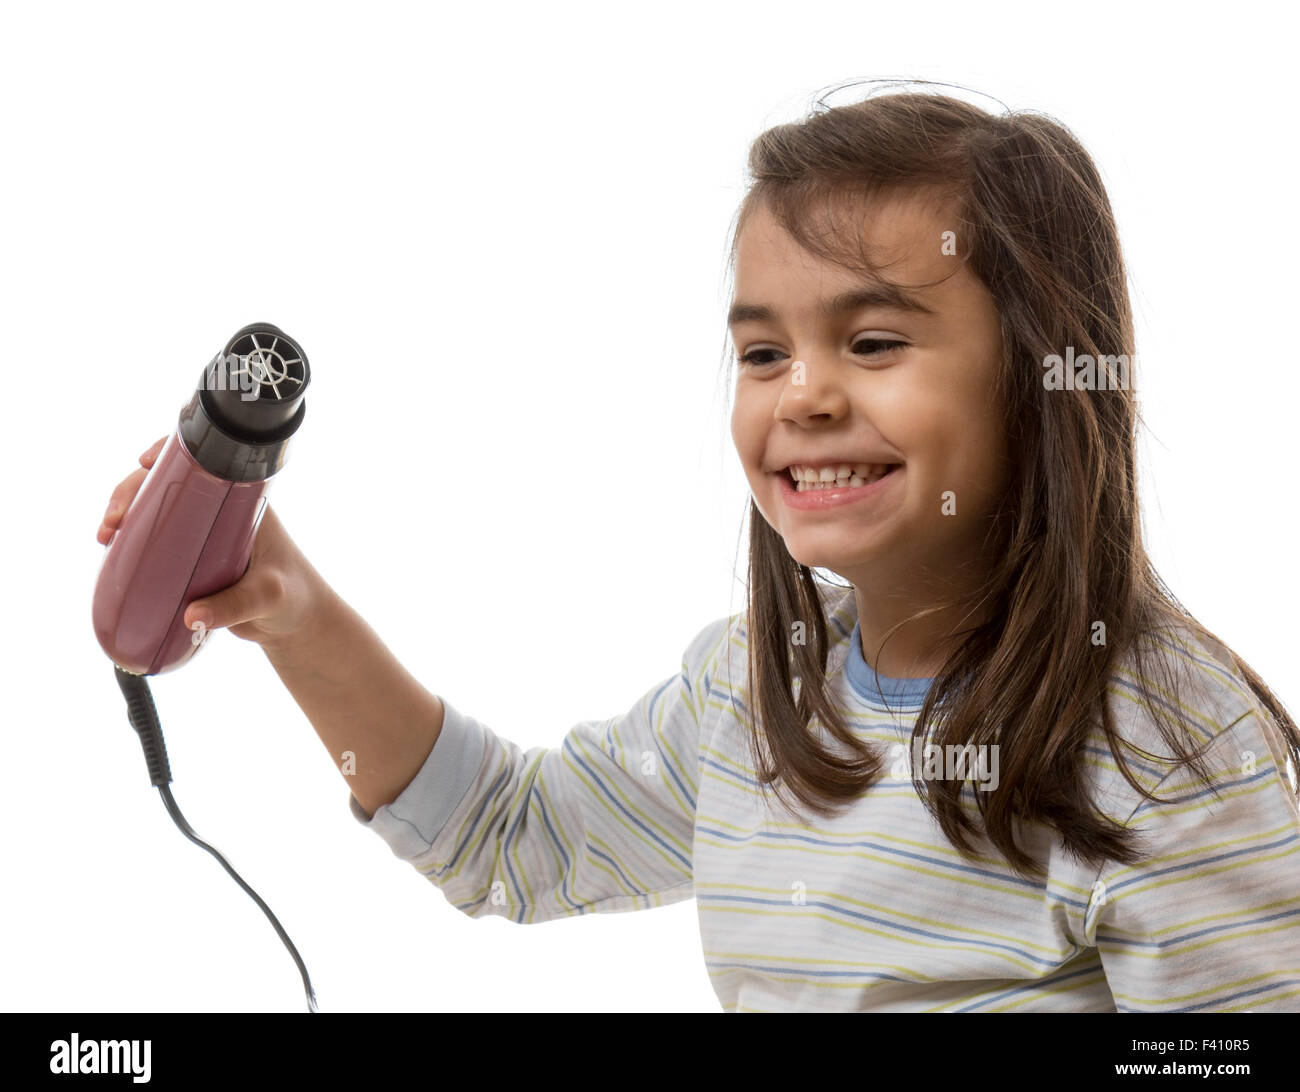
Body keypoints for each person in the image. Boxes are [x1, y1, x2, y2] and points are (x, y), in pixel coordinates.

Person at [97, 87, 1300, 1012]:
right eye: (764, 354)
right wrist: (297, 612)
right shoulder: (755, 696)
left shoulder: (1164, 748)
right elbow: (517, 838)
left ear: (1045, 378)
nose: (803, 395)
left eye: (874, 341)